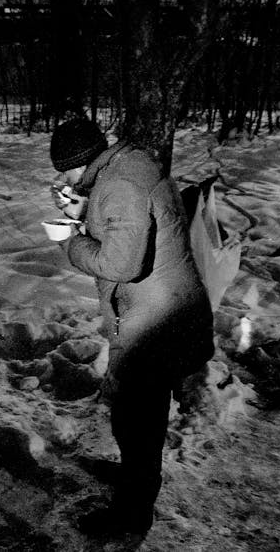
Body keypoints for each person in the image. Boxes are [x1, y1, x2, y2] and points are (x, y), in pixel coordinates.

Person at [47, 117, 213, 537]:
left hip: (156, 322)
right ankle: (133, 479)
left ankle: (133, 515)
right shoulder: (126, 168)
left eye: (64, 170)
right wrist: (84, 212)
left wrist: (69, 239)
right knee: (135, 415)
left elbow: (120, 263)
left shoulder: (120, 185)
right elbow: (126, 224)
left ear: (81, 161)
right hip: (162, 312)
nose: (62, 179)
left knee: (137, 421)